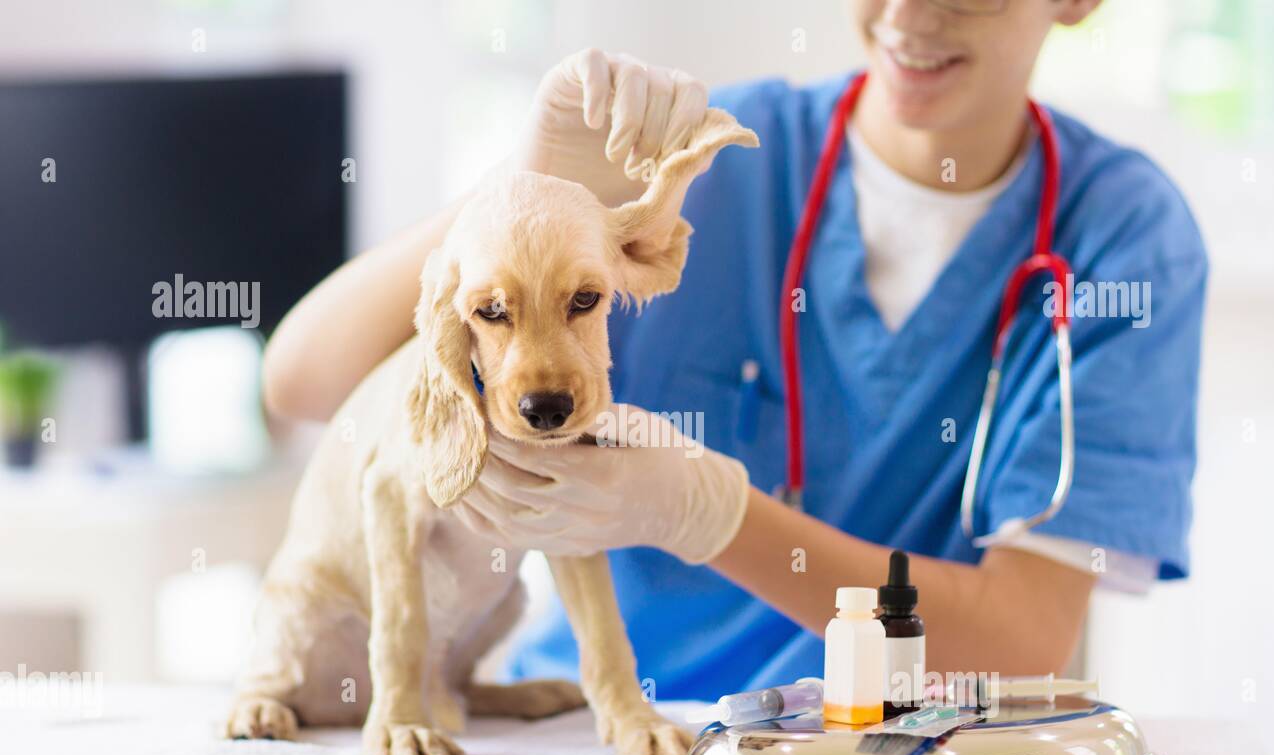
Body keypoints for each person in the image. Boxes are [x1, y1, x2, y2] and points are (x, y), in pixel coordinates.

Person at [262, 0, 1207, 699]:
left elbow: (1021, 639)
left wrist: (710, 514)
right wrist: (525, 191)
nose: (912, 14)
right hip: (593, 745)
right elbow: (305, 379)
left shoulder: (1121, 238)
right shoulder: (702, 157)